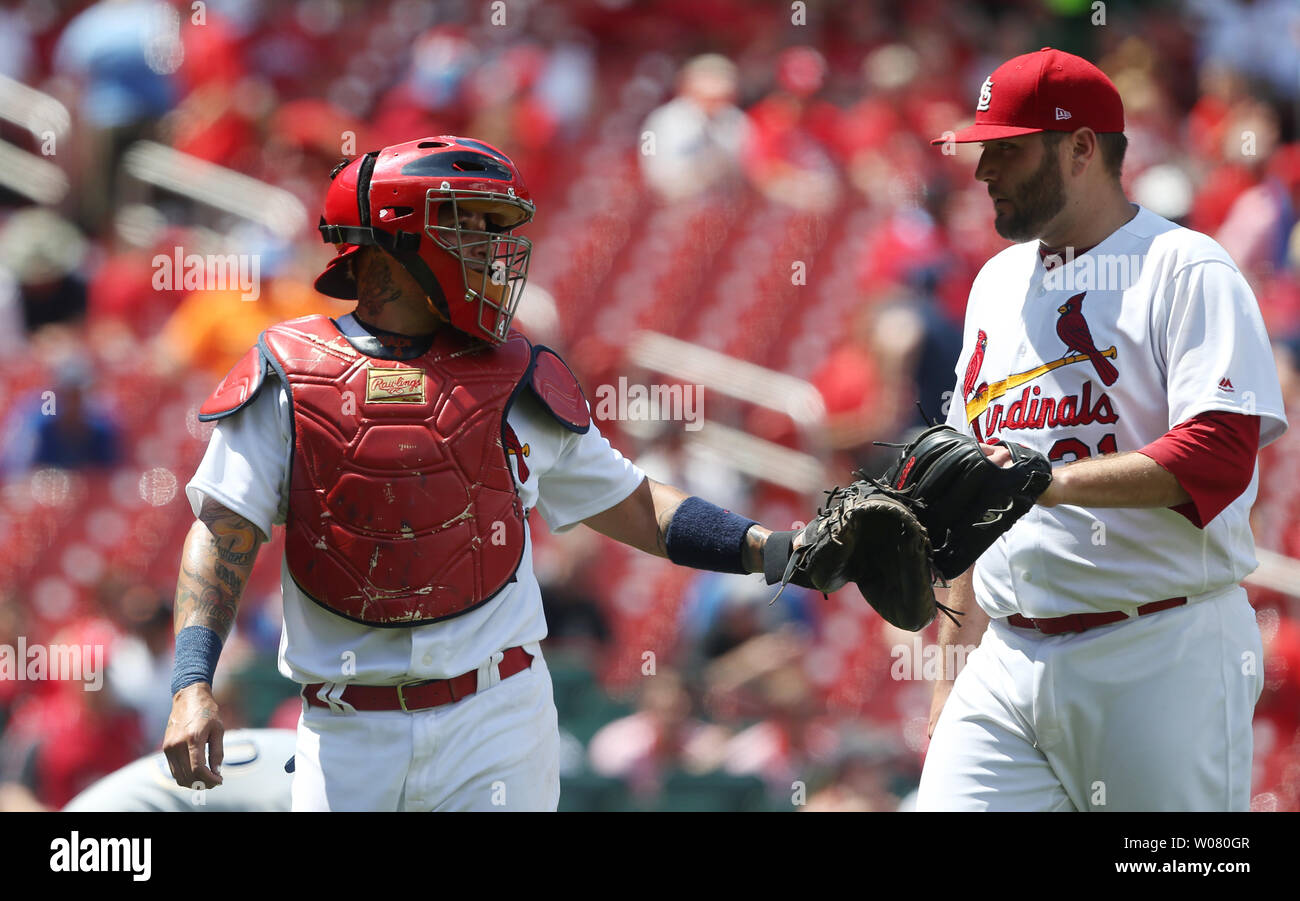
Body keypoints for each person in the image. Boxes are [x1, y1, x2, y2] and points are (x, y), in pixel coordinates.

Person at [161, 136, 812, 811]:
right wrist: (191, 682)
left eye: (490, 228)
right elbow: (222, 529)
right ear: (397, 235)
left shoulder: (518, 374)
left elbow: (638, 506)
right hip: (347, 727)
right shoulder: (286, 372)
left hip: (498, 717)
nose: (489, 248)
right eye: (466, 224)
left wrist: (772, 548)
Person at [921, 48, 1288, 811]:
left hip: (1158, 648)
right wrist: (947, 671)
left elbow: (1219, 452)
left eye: (1008, 149)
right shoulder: (994, 282)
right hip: (1008, 658)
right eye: (983, 148)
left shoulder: (1184, 267)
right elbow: (969, 486)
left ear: (1082, 148)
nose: (985, 169)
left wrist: (1045, 484)